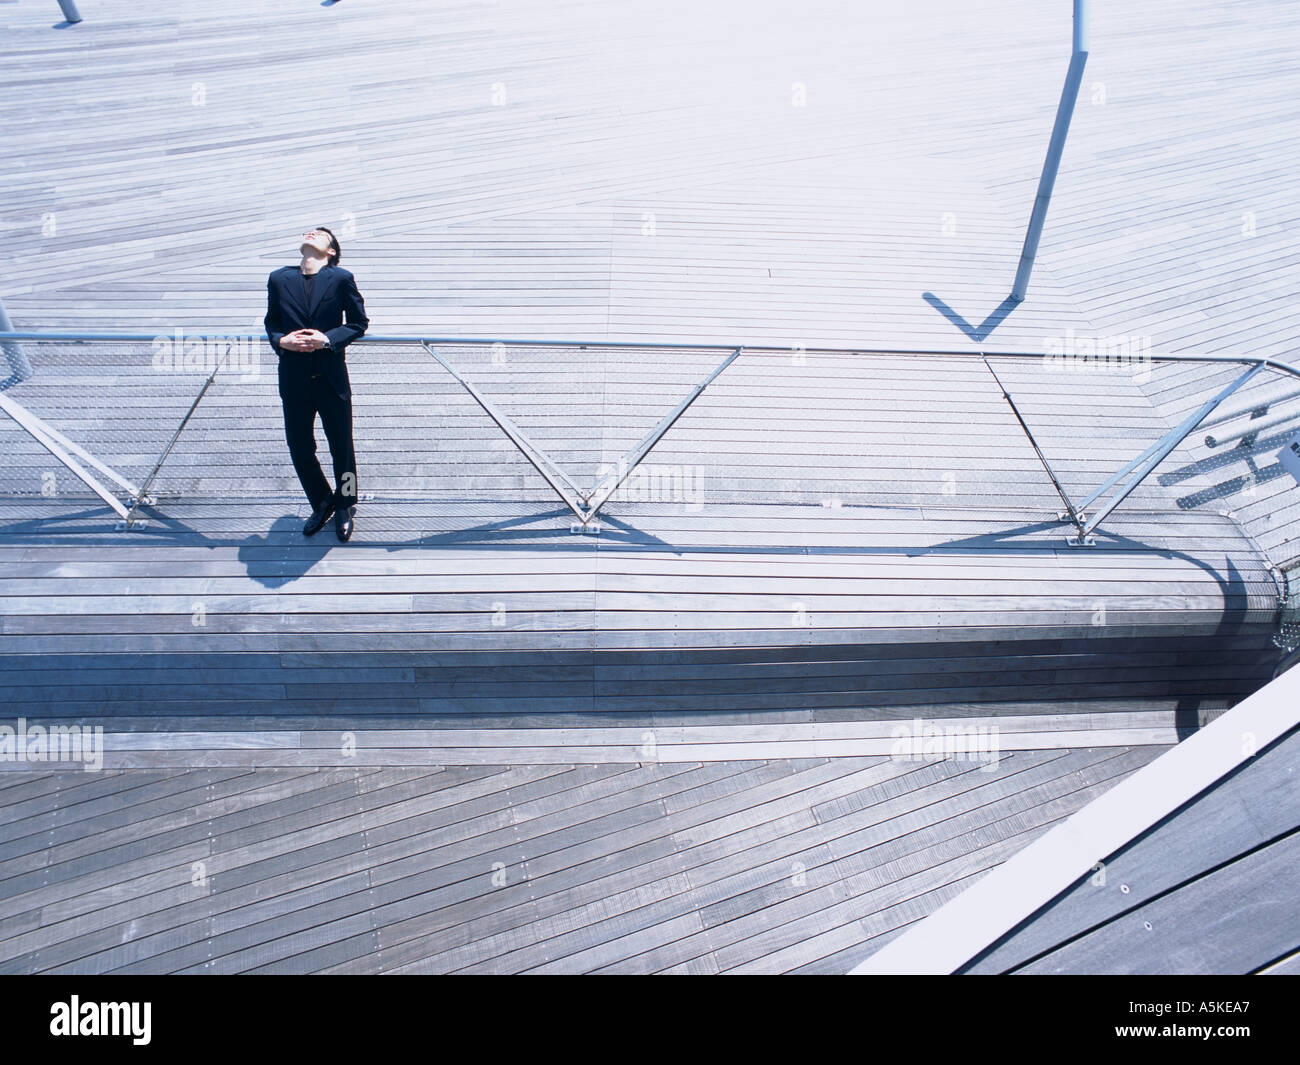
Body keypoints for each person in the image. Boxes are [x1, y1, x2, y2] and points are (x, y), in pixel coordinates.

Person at [264, 227, 369, 541]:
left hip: (331, 376)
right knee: (299, 446)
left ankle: (346, 503)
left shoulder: (340, 278)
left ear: (332, 251)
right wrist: (282, 341)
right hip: (293, 377)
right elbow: (272, 322)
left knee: (342, 448)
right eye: (309, 231)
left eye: (320, 234)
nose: (311, 233)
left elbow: (358, 322)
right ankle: (322, 502)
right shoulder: (279, 279)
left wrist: (328, 339)